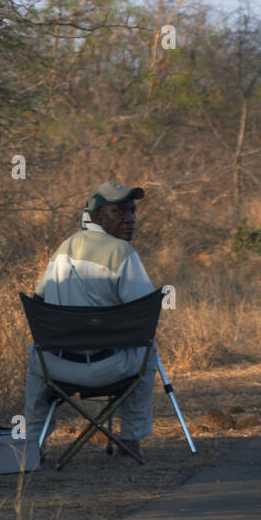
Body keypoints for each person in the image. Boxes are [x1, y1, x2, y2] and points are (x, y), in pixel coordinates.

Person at [24, 181, 158, 463]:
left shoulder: (63, 249)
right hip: (110, 368)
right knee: (149, 348)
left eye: (132, 212)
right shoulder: (123, 253)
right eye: (119, 212)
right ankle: (131, 439)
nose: (129, 219)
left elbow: (38, 300)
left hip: (59, 369)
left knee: (35, 353)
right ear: (96, 217)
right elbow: (144, 319)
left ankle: (32, 443)